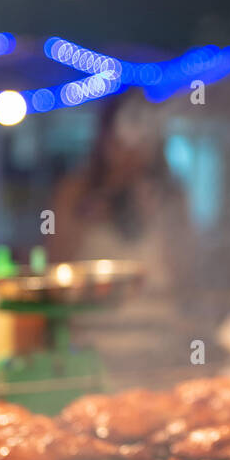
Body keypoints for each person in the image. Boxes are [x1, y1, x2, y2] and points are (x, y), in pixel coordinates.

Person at [51, 88, 200, 374]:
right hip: (91, 345)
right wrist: (87, 216)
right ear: (104, 138)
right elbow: (54, 267)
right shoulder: (76, 191)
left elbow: (186, 277)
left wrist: (157, 219)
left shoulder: (170, 195)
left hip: (158, 343)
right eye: (120, 139)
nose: (130, 150)